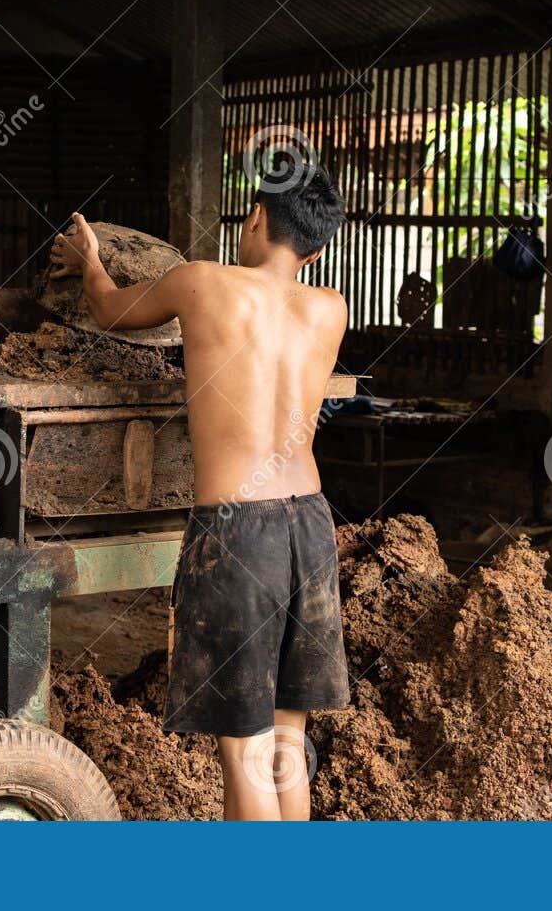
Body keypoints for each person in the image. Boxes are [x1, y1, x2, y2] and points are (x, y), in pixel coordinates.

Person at [49, 168, 351, 820]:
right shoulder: (332, 308)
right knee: (286, 744)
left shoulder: (202, 281)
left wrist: (89, 259)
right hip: (310, 528)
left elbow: (108, 309)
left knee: (243, 754)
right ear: (317, 250)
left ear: (256, 218)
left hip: (239, 534)